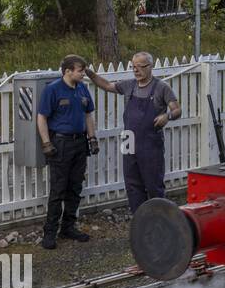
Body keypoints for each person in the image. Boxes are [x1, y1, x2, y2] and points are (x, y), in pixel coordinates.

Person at [86, 51, 181, 215]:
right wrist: (90, 73)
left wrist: (168, 116)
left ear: (150, 67)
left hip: (151, 142)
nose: (136, 70)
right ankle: (139, 218)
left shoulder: (161, 87)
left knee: (153, 183)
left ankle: (159, 218)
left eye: (140, 67)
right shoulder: (129, 85)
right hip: (128, 139)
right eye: (133, 67)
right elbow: (107, 86)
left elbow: (177, 109)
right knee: (132, 183)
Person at [35, 54, 99, 250]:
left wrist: (92, 138)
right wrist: (46, 143)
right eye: (80, 70)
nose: (83, 73)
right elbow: (42, 118)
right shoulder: (52, 90)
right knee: (58, 190)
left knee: (75, 188)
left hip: (80, 143)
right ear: (67, 71)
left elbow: (88, 114)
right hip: (61, 144)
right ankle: (50, 233)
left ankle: (68, 227)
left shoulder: (82, 89)